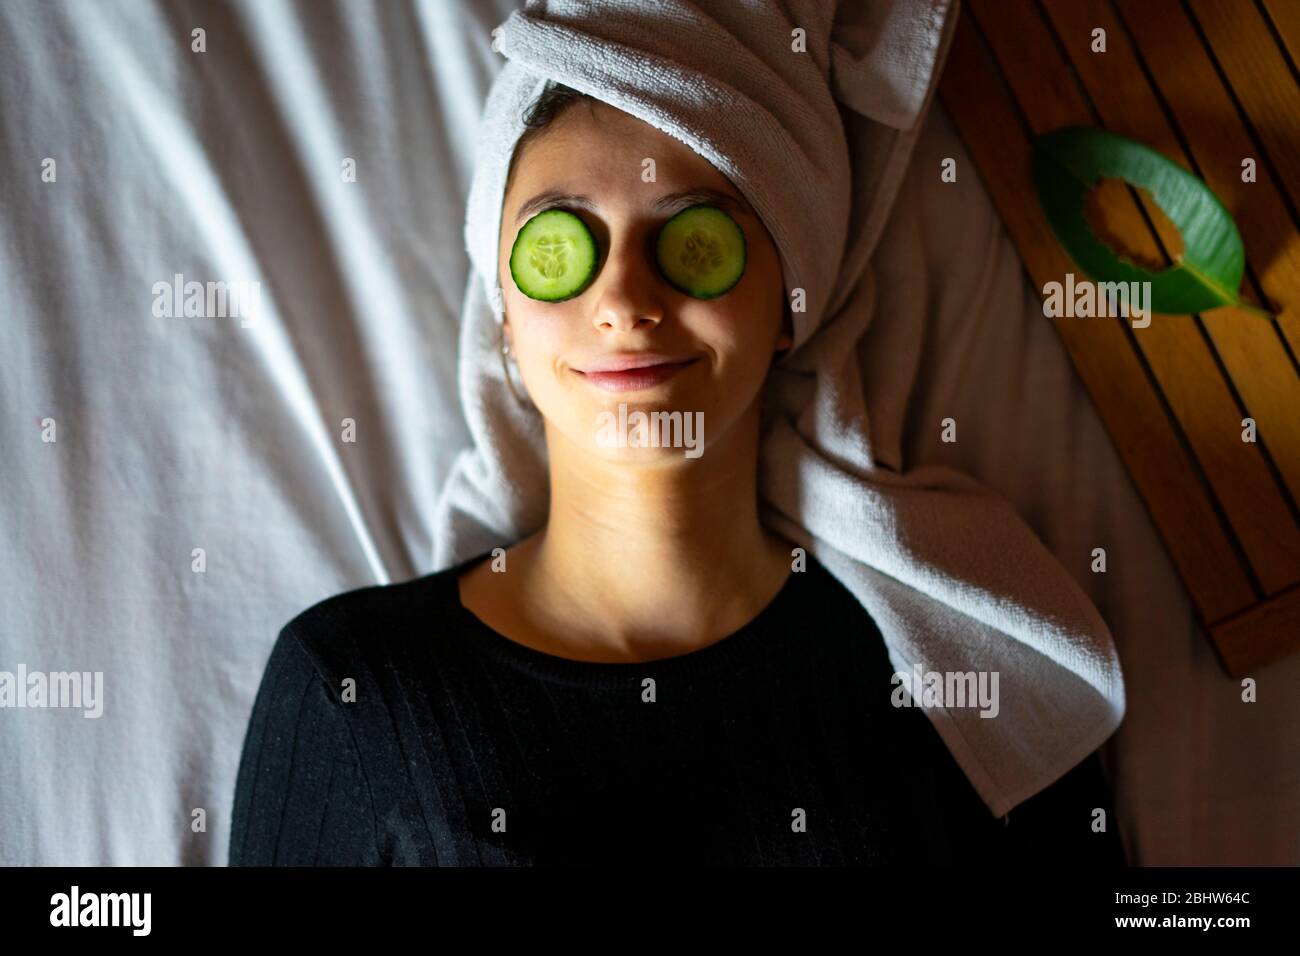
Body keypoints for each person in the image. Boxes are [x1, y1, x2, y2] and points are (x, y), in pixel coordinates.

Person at [228, 82, 1125, 867]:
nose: (622, 300)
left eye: (695, 240)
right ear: (505, 318)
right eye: (560, 244)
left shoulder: (966, 678)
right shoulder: (355, 688)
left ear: (789, 302)